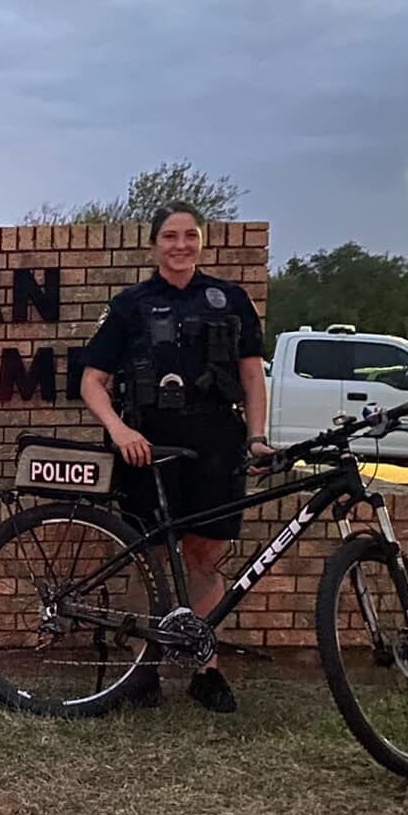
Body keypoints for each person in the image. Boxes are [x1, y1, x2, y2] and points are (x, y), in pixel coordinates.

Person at [78, 202, 273, 714]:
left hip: (215, 443)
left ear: (202, 241)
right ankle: (140, 672)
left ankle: (205, 669)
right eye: (170, 236)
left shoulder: (229, 300)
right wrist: (119, 431)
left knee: (205, 557)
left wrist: (257, 438)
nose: (180, 245)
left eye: (190, 235)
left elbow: (252, 375)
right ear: (154, 244)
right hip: (149, 447)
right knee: (151, 559)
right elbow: (92, 381)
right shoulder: (130, 305)